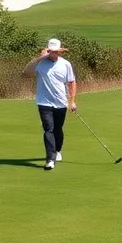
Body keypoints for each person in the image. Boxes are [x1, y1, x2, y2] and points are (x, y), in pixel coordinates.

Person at [23, 39, 76, 171]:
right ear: (48, 51)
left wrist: (72, 101)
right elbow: (26, 73)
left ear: (59, 52)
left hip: (61, 102)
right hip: (43, 102)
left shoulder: (66, 64)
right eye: (51, 51)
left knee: (58, 129)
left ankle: (57, 150)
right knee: (48, 129)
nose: (54, 54)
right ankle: (50, 159)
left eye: (56, 51)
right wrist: (38, 58)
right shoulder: (40, 64)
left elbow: (71, 82)